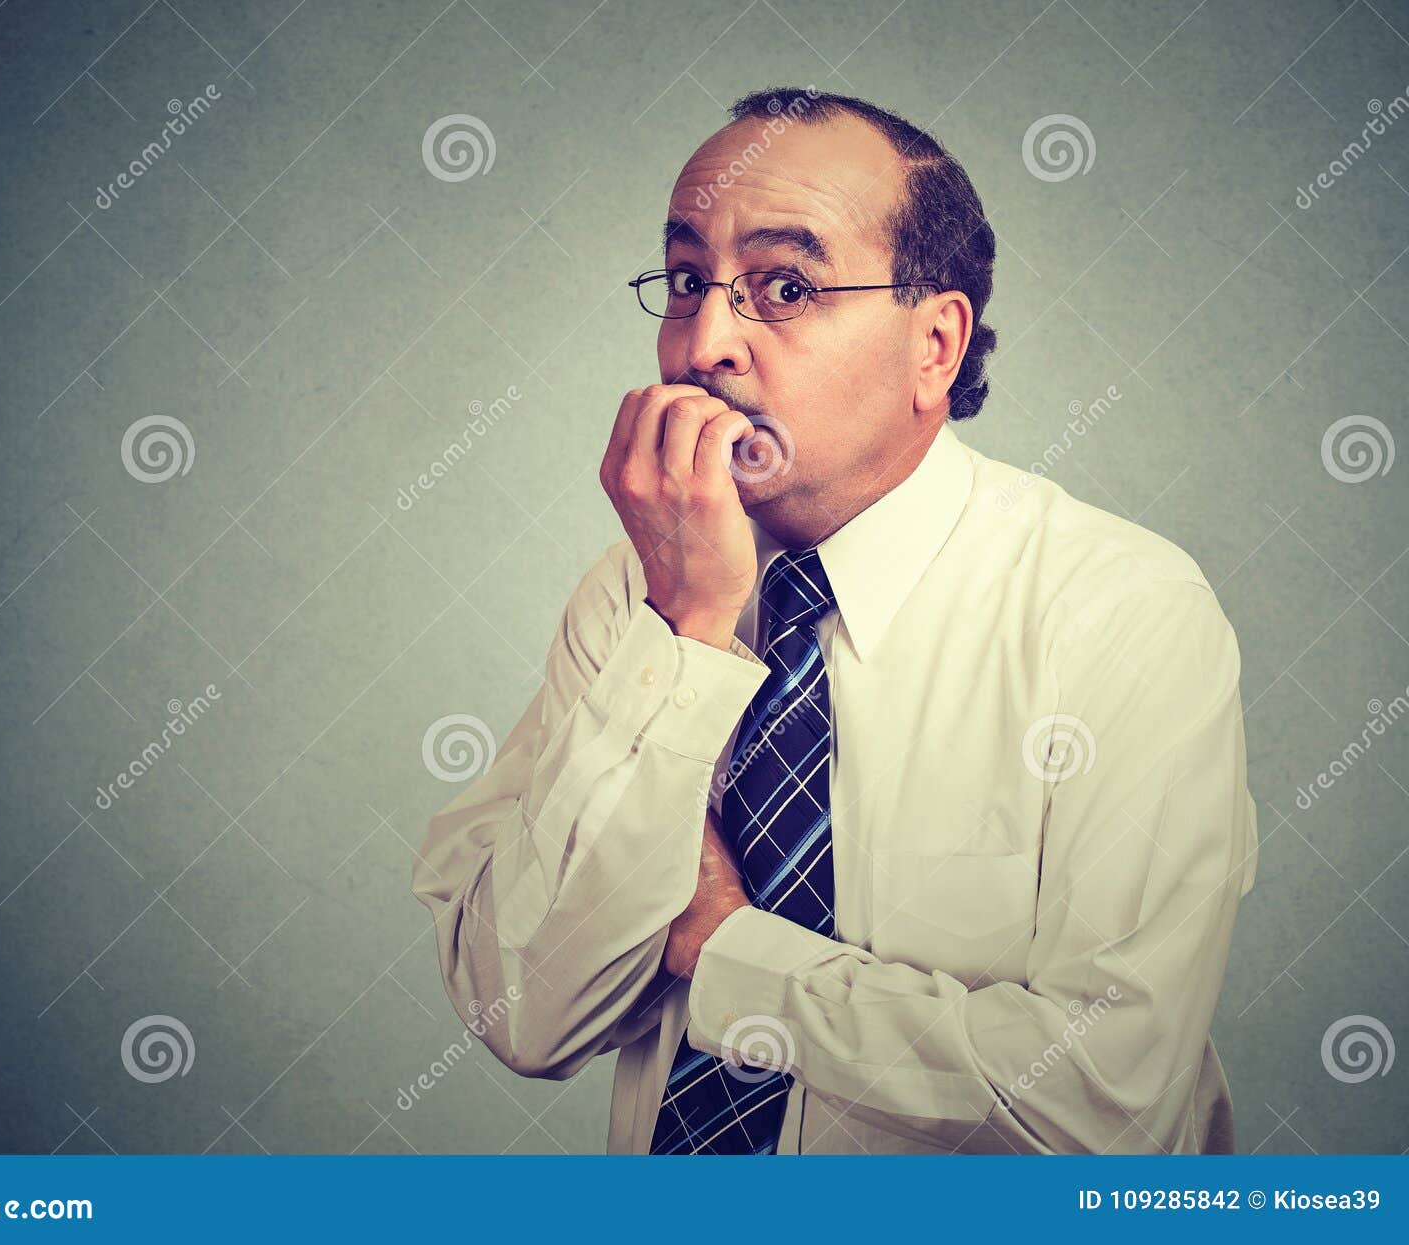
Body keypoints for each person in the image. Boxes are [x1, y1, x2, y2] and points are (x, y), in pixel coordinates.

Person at [410, 87, 1257, 1155]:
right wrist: (684, 637)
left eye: (784, 285)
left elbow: (1099, 1106)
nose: (704, 341)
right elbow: (526, 1015)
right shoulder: (639, 593)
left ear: (934, 345)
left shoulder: (1121, 614)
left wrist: (723, 949)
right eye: (685, 282)